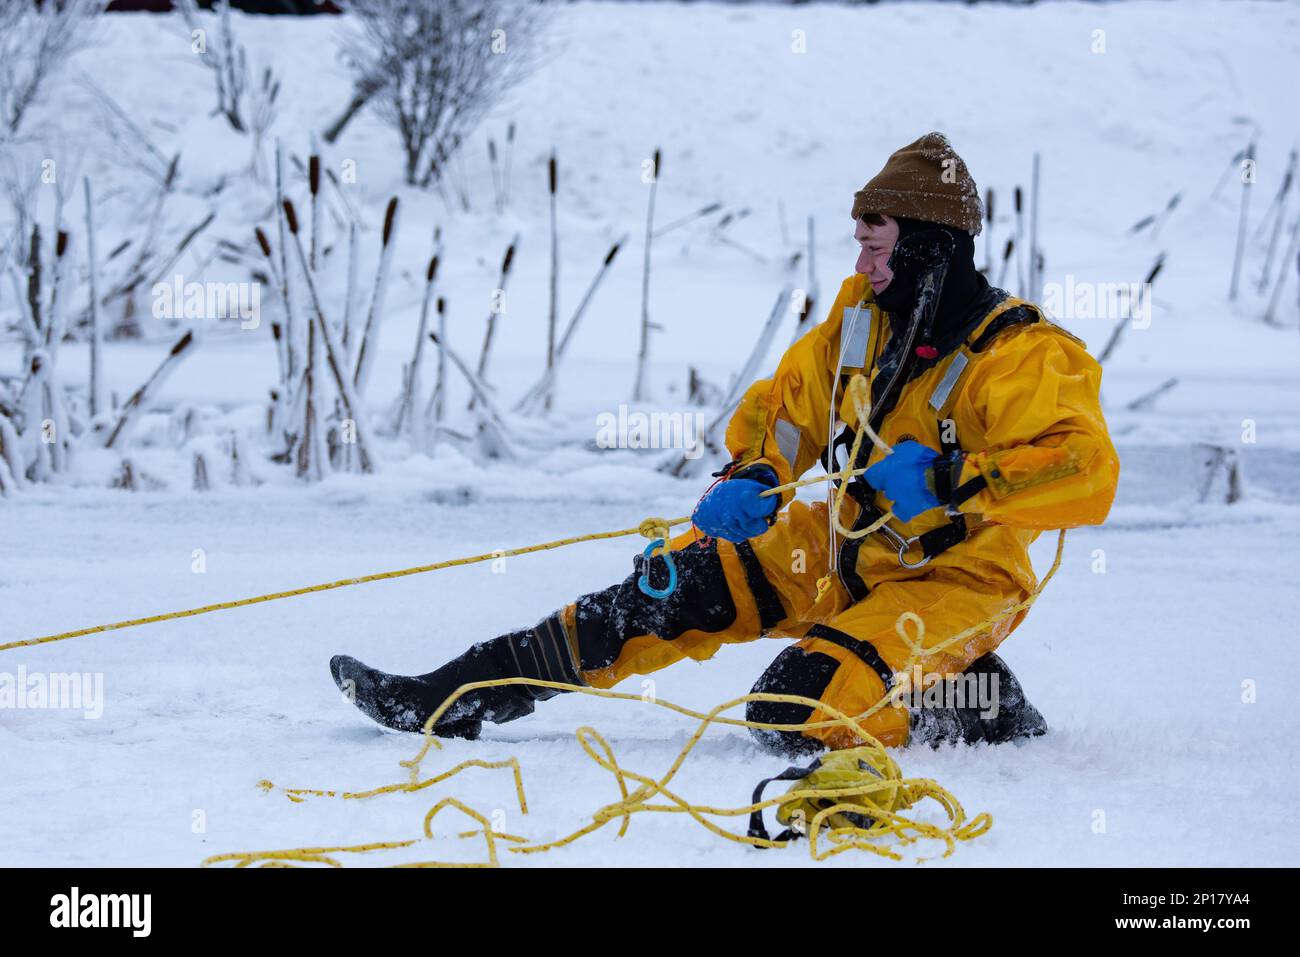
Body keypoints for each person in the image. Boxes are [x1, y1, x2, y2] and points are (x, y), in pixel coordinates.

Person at [331, 132, 1120, 756]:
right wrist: (757, 471)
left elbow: (1087, 471)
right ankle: (451, 695)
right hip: (846, 545)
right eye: (860, 244)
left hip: (956, 576)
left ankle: (978, 705)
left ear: (930, 251)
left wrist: (955, 480)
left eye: (877, 248)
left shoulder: (1024, 356)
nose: (862, 264)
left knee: (795, 706)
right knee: (664, 588)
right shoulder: (860, 315)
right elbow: (792, 409)